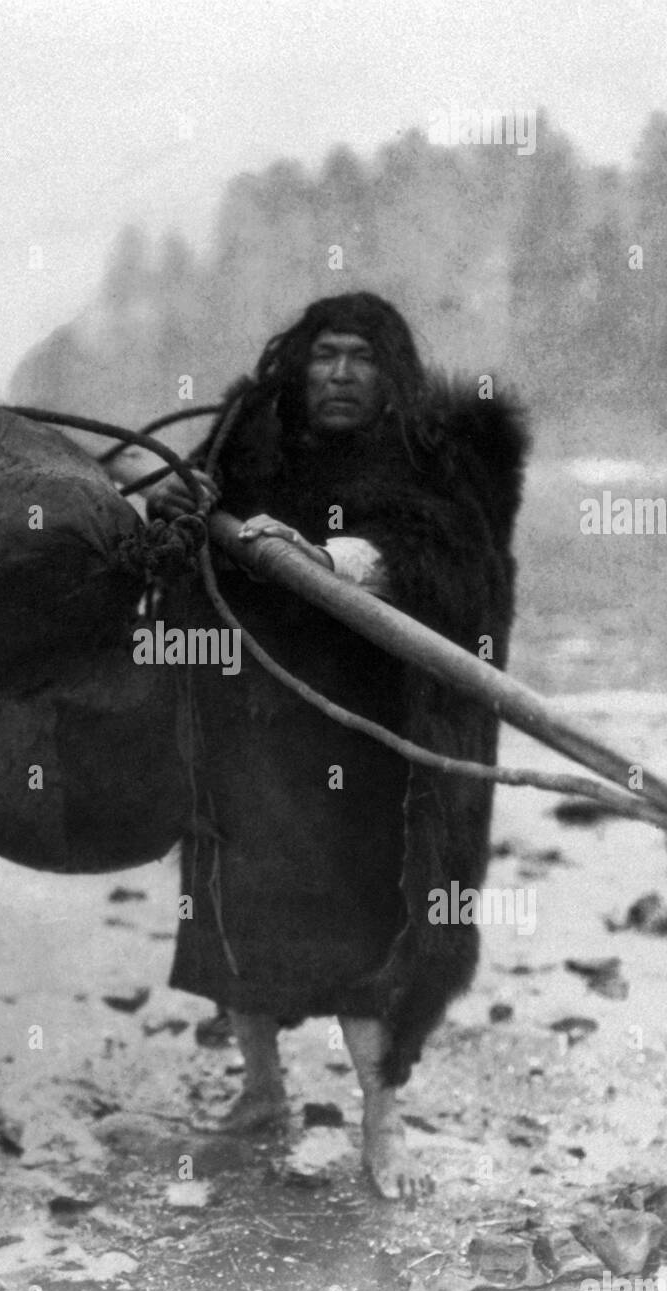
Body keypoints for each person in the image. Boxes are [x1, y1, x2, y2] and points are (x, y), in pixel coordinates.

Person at [143, 292, 528, 1199]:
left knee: (370, 939)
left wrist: (337, 559)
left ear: (391, 375)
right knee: (236, 917)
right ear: (298, 364)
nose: (342, 375)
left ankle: (381, 1124)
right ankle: (264, 1088)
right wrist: (185, 511)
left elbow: (455, 562)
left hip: (375, 749)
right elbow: (189, 533)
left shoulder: (428, 458)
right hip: (256, 733)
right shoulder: (252, 437)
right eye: (326, 356)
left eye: (361, 357)